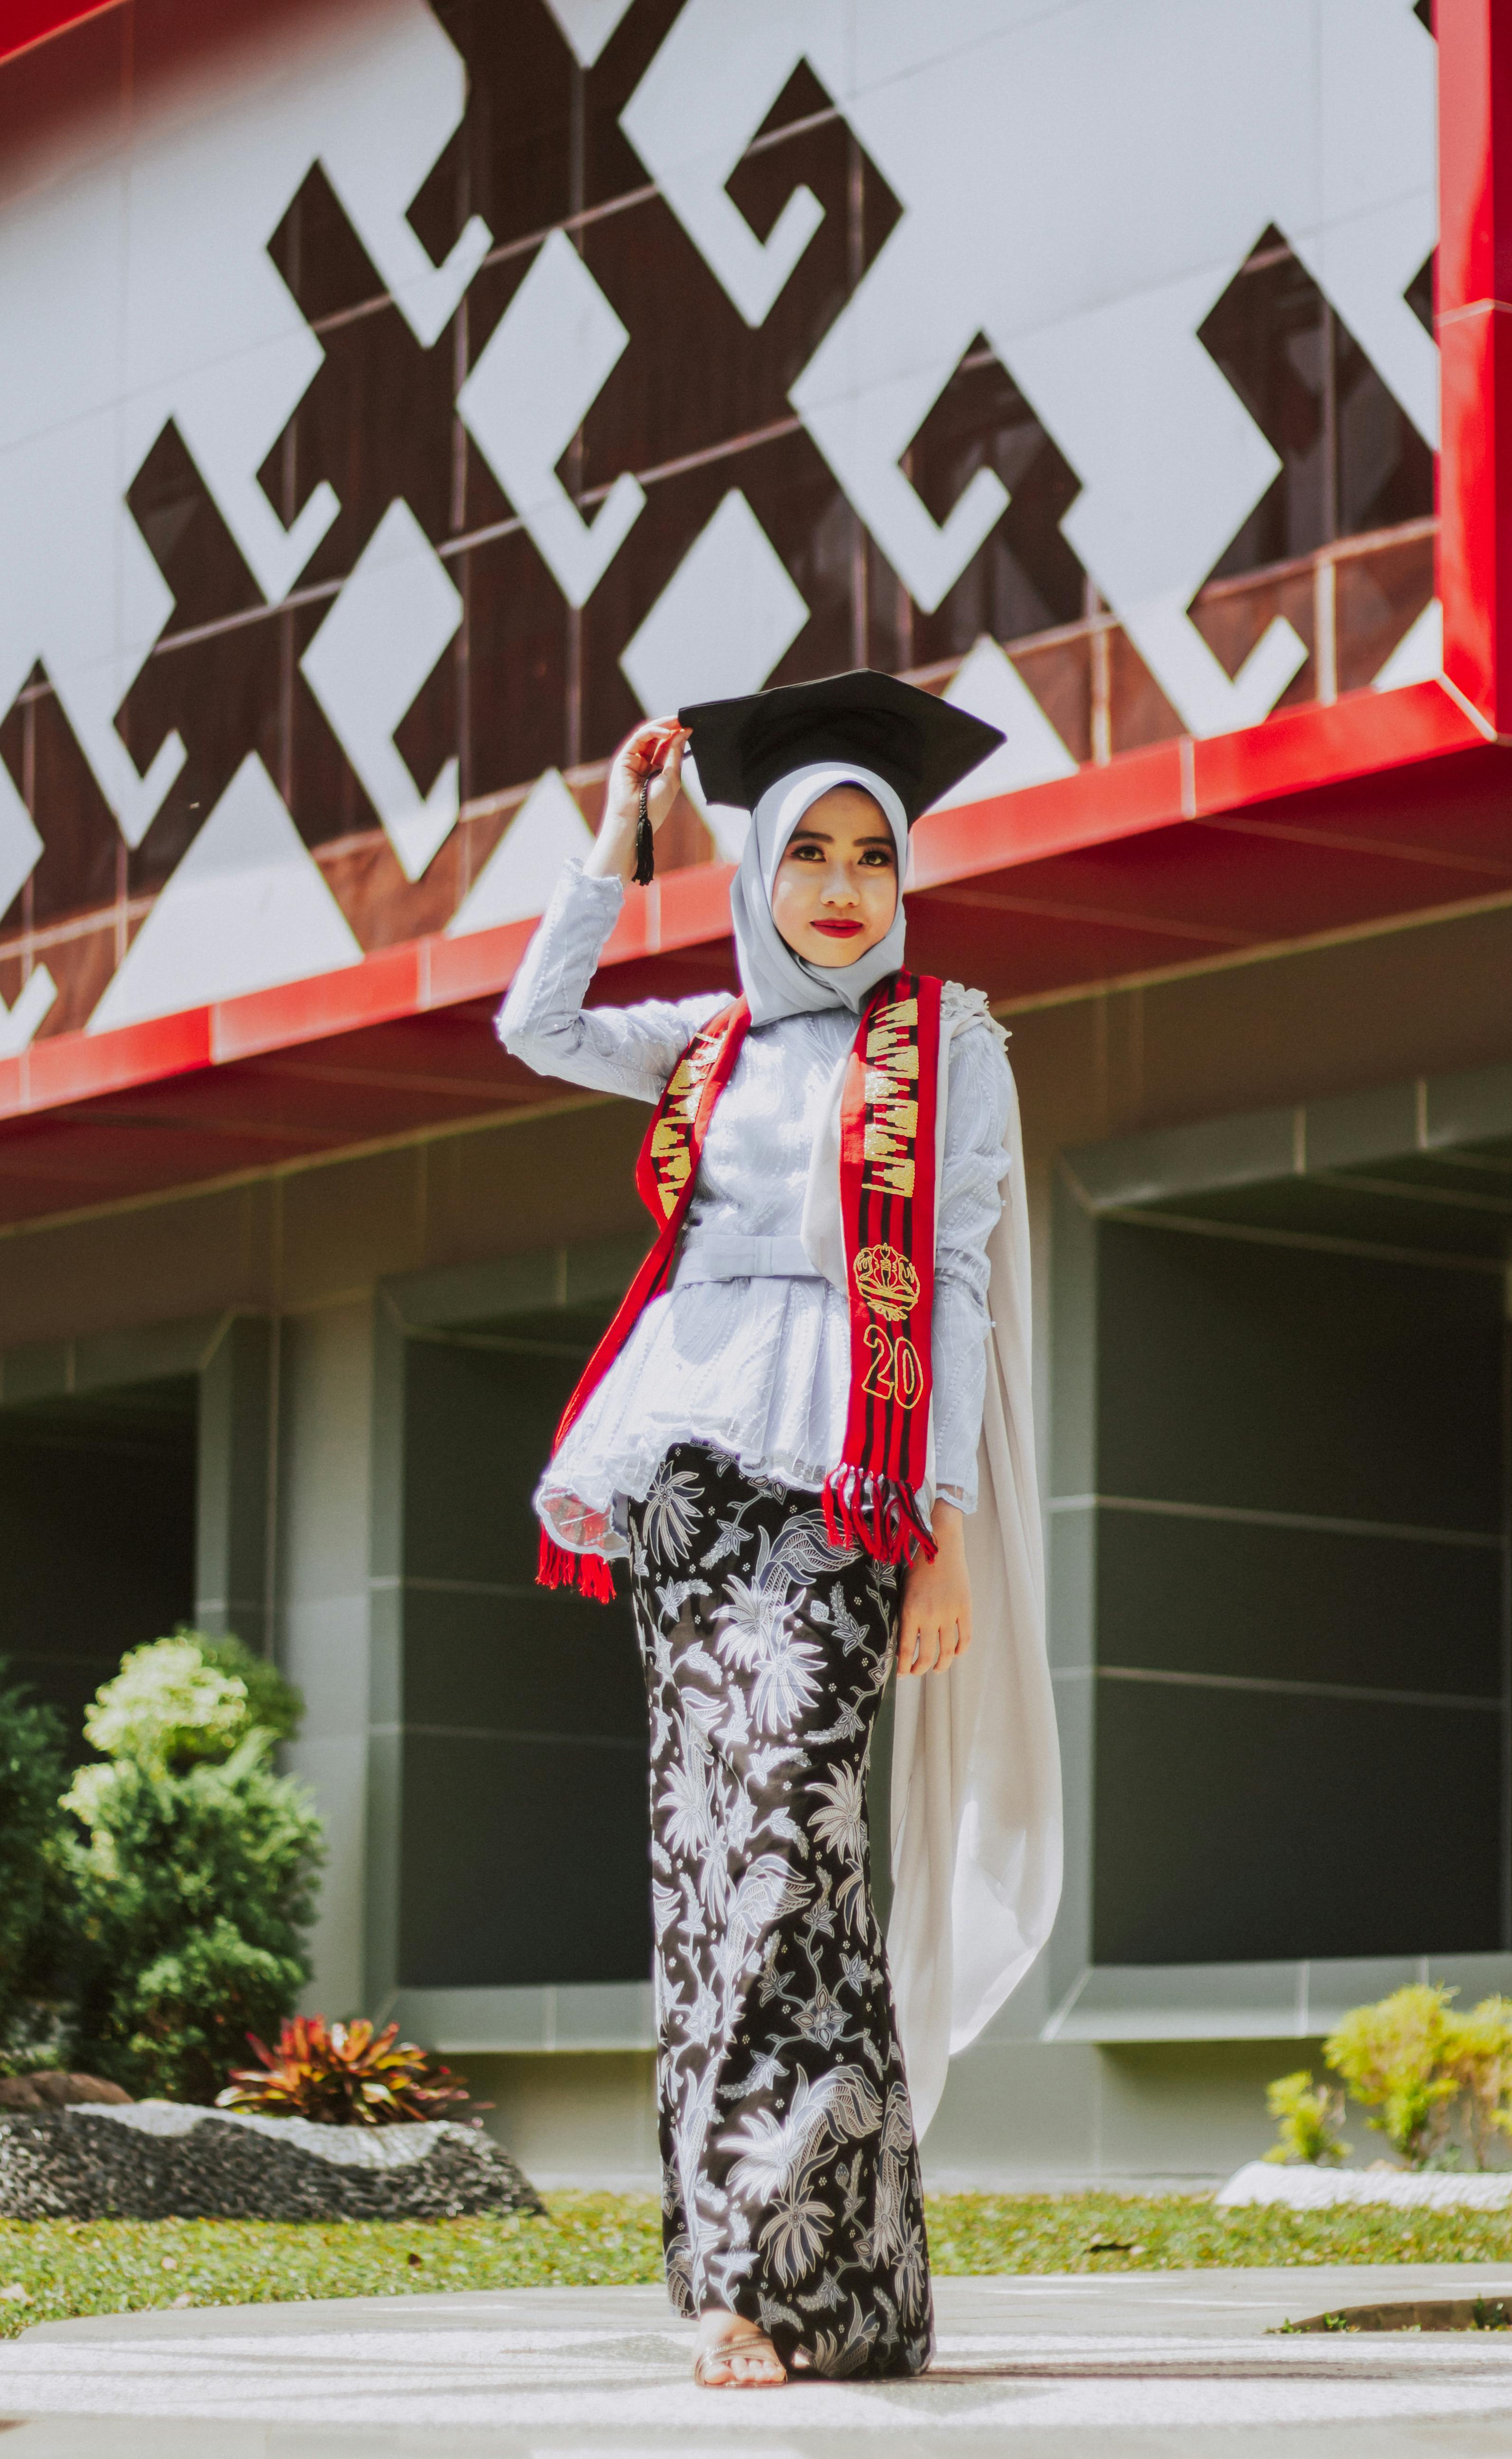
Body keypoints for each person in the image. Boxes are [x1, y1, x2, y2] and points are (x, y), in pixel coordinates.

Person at [496, 671, 1060, 2390]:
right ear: (752, 869)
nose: (836, 886)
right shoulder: (711, 1040)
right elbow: (535, 1023)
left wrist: (944, 1525)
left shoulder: (946, 1041)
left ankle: (783, 2264)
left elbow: (953, 1280)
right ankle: (810, 2285)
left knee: (789, 1847)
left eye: (869, 857)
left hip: (851, 1479)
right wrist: (613, 844)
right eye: (803, 850)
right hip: (690, 1471)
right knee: (705, 1865)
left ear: (905, 880)